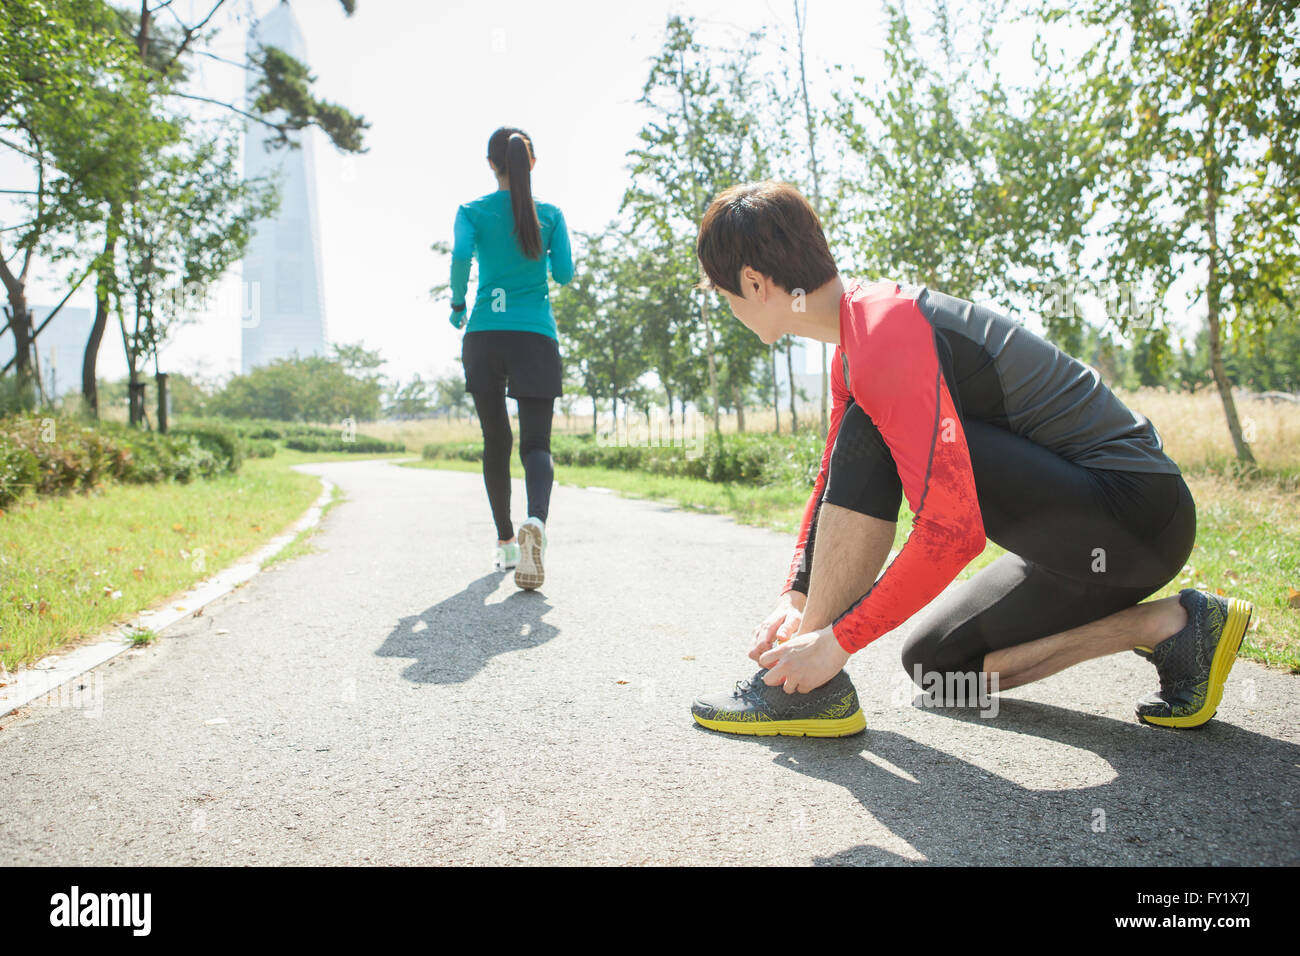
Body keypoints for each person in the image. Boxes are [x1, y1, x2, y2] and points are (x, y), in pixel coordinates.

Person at [689, 180, 1253, 737]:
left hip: (1135, 509)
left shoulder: (885, 328)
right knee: (938, 670)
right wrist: (797, 595)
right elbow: (831, 478)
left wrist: (832, 642)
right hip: (1075, 545)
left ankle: (800, 689)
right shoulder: (853, 352)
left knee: (870, 424)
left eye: (724, 292)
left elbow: (951, 532)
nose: (728, 305)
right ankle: (1174, 625)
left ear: (754, 282)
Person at [448, 127, 573, 589]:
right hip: (535, 337)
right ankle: (535, 522)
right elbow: (564, 274)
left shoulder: (471, 212)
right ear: (532, 164)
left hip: (484, 336)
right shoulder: (551, 216)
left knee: (495, 440)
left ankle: (505, 544)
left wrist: (458, 303)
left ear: (490, 164)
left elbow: (461, 254)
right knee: (536, 445)